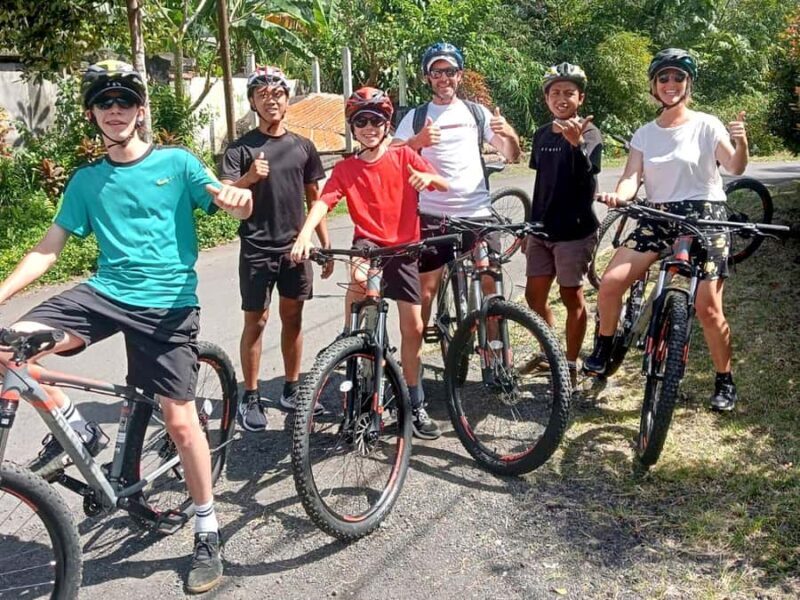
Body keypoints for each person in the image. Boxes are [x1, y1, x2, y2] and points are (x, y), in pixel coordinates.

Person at [0, 60, 252, 593]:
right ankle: (82, 428)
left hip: (167, 306)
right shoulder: (88, 180)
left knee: (181, 424)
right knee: (8, 348)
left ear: (140, 111)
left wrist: (240, 197)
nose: (115, 112)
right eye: (104, 103)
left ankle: (207, 527)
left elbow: (233, 203)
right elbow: (49, 249)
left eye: (124, 103)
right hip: (105, 294)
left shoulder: (178, 163)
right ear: (93, 113)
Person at [583, 48, 749, 412]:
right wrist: (620, 196)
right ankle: (604, 345)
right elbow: (631, 176)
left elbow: (735, 166)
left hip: (705, 215)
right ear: (654, 87)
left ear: (688, 84)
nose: (671, 84)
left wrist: (742, 141)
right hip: (657, 216)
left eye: (678, 78)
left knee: (708, 309)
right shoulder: (645, 134)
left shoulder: (707, 124)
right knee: (610, 284)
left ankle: (724, 379)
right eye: (664, 78)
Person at [290, 87, 449, 439]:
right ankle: (354, 335)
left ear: (386, 123)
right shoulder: (346, 169)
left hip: (405, 249)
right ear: (352, 127)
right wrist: (304, 235)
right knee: (360, 278)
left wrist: (428, 178)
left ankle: (415, 399)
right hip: (370, 244)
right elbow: (322, 203)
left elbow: (442, 183)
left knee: (415, 329)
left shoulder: (404, 156)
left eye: (376, 120)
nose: (369, 127)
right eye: (361, 121)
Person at [392, 42, 521, 413]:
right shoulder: (416, 117)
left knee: (490, 284)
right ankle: (412, 371)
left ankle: (497, 359)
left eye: (450, 72)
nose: (444, 78)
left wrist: (508, 132)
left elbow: (511, 155)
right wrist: (418, 142)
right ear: (427, 77)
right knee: (426, 295)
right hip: (432, 216)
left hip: (477, 213)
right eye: (437, 72)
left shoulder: (477, 113)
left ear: (460, 76)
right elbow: (394, 160)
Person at [220, 66, 331, 432]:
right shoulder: (240, 149)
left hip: (295, 248)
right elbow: (225, 195)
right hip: (256, 247)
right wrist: (249, 177)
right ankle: (250, 395)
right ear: (252, 101)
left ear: (287, 99)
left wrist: (325, 245)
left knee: (293, 318)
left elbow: (317, 199)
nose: (272, 100)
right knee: (257, 320)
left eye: (278, 94)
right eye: (263, 95)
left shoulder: (303, 146)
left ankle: (291, 386)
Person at [523, 63, 602, 390]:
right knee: (533, 297)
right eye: (555, 92)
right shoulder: (541, 134)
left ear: (580, 97)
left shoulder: (590, 133)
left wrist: (576, 144)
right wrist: (529, 224)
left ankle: (569, 365)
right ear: (546, 99)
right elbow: (542, 181)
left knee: (572, 297)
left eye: (568, 92)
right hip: (542, 230)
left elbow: (589, 177)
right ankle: (550, 352)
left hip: (574, 230)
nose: (561, 98)